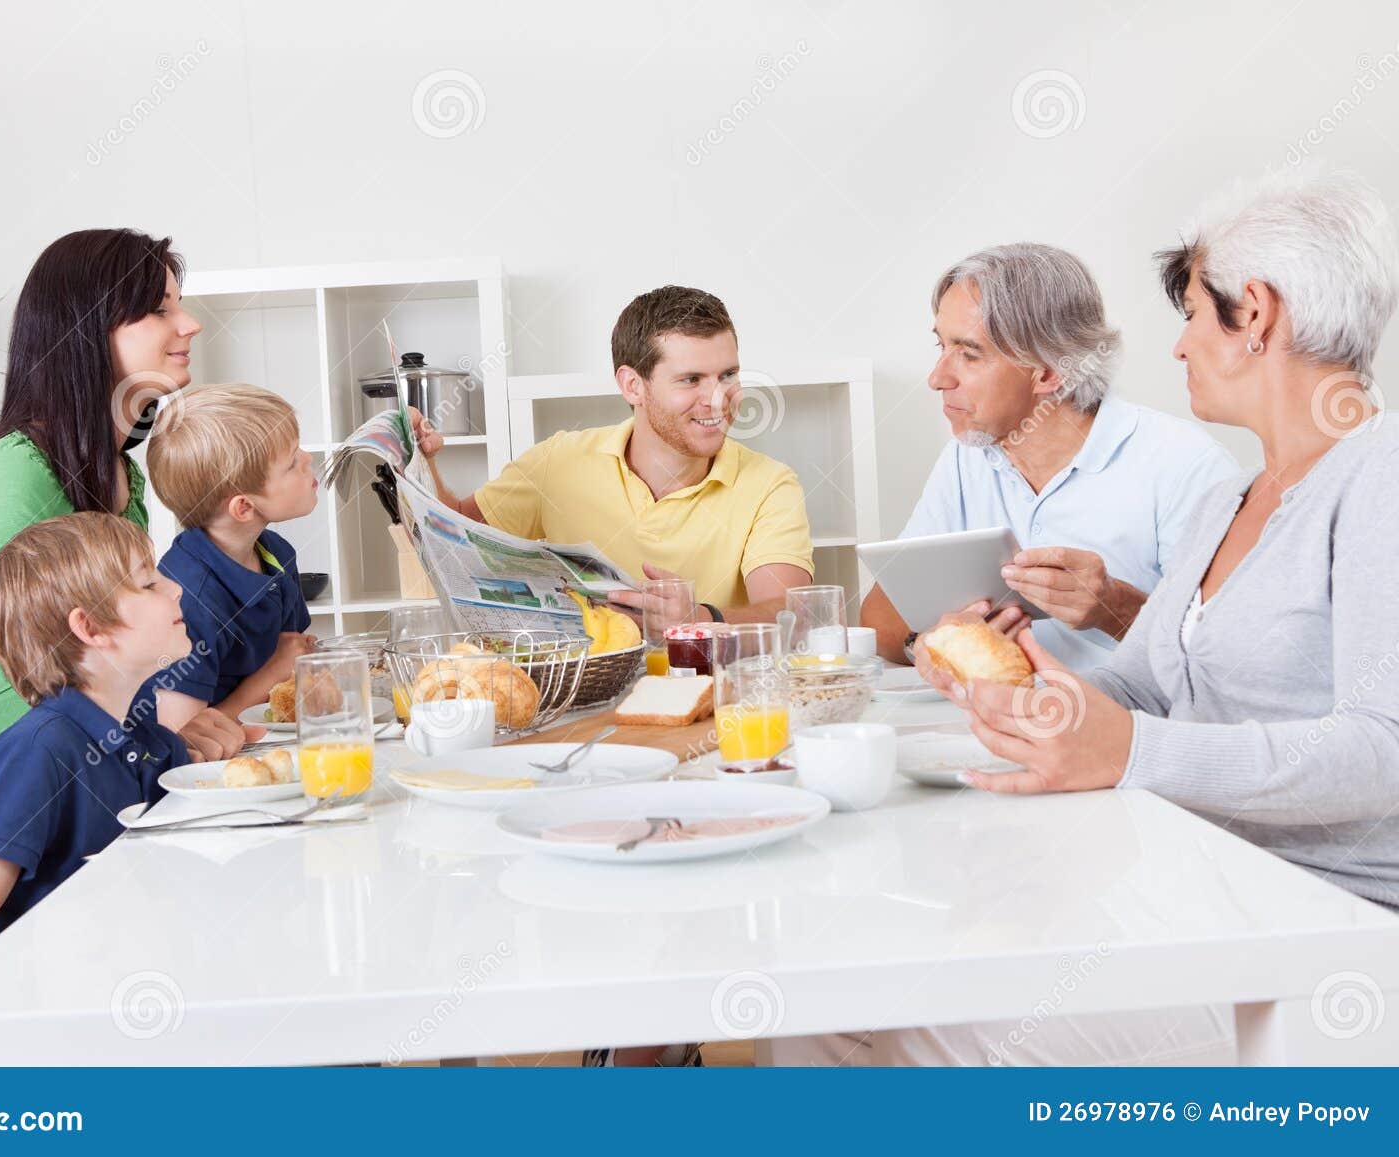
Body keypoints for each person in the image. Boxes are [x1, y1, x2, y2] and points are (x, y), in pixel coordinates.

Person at [782, 168, 1399, 1066]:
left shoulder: (1377, 478)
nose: (1180, 347)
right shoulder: (1235, 497)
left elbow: (1385, 750)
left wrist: (1136, 750)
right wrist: (1023, 691)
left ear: (1255, 313)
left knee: (931, 1029)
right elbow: (1142, 680)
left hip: (1319, 930)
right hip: (1191, 878)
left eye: (1192, 313)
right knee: (830, 993)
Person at [0, 230, 247, 882]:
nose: (188, 323)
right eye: (160, 308)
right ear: (90, 330)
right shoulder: (13, 480)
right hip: (23, 836)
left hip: (106, 797)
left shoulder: (118, 474)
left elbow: (115, 659)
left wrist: (171, 738)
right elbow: (20, 692)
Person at [860, 244, 1238, 671]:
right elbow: (877, 620)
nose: (937, 378)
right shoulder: (968, 458)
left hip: (1125, 726)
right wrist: (930, 643)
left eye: (968, 353)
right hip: (995, 721)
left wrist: (1115, 607)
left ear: (1049, 372)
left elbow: (1229, 659)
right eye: (941, 346)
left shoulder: (1184, 466)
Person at [417, 285, 815, 627]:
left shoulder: (769, 483)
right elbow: (452, 542)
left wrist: (698, 620)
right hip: (582, 698)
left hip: (714, 701)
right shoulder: (558, 462)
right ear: (632, 386)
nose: (718, 400)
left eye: (727, 375)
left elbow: (792, 614)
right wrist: (419, 459)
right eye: (691, 380)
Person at [0, 514, 191, 976]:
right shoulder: (36, 754)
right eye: (149, 584)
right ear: (91, 628)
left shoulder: (155, 742)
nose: (175, 589)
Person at [144, 384, 320, 727]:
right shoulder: (187, 599)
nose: (308, 459)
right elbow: (184, 738)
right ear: (243, 507)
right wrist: (273, 673)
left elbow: (291, 660)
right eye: (291, 461)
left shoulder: (276, 554)